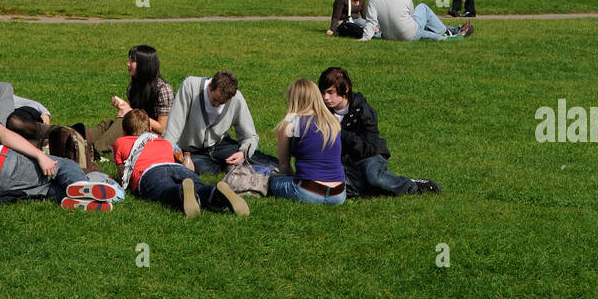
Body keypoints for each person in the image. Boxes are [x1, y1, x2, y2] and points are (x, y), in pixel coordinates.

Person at [0, 68, 119, 208]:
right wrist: (40, 155)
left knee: (46, 188)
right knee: (63, 166)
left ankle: (74, 199)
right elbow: (1, 133)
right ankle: (85, 188)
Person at [318, 67, 439, 197]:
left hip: (368, 157)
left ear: (346, 88)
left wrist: (340, 132)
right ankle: (366, 189)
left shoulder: (363, 111)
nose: (326, 98)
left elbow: (370, 148)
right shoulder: (322, 111)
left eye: (330, 92)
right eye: (323, 93)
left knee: (375, 178)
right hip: (341, 160)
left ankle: (412, 185)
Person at [113, 110, 248, 217]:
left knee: (165, 191)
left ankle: (181, 191)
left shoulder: (120, 142)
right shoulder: (163, 142)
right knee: (199, 189)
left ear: (124, 130)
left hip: (151, 173)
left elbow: (122, 173)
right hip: (178, 168)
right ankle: (215, 191)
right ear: (149, 127)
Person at [162, 71, 278, 176]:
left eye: (222, 103)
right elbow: (173, 129)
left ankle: (232, 166)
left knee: (267, 163)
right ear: (210, 86)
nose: (217, 105)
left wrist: (243, 154)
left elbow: (250, 136)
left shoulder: (236, 99)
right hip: (192, 151)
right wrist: (166, 155)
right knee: (195, 167)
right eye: (215, 99)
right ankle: (227, 168)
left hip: (220, 146)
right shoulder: (190, 87)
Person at [269, 78, 346, 206]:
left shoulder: (292, 121)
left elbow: (284, 165)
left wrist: (289, 178)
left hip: (308, 191)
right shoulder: (333, 121)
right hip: (338, 195)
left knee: (270, 180)